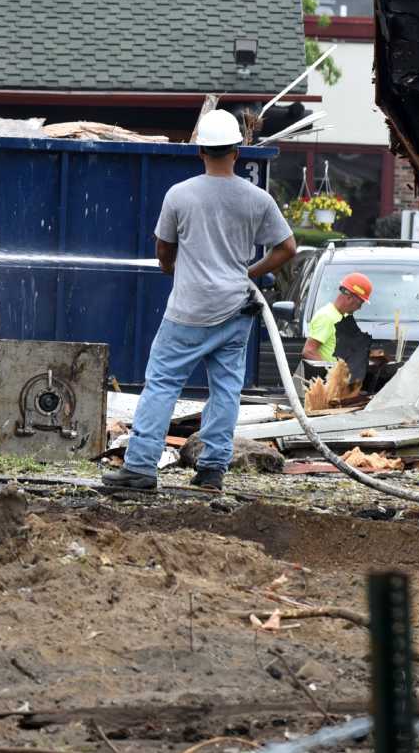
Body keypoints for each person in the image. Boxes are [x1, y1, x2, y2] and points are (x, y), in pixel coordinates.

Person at [102, 109, 297, 493]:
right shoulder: (257, 199)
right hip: (236, 309)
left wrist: (169, 266)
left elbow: (164, 248)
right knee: (225, 390)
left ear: (200, 152)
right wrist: (249, 273)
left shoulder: (180, 194)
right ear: (237, 151)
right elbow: (287, 247)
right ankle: (212, 470)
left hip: (188, 311)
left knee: (162, 385)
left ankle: (140, 467)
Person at [300, 270, 374, 394]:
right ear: (349, 297)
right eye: (360, 303)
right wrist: (332, 378)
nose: (360, 308)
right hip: (328, 389)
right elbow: (309, 351)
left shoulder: (339, 316)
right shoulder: (326, 317)